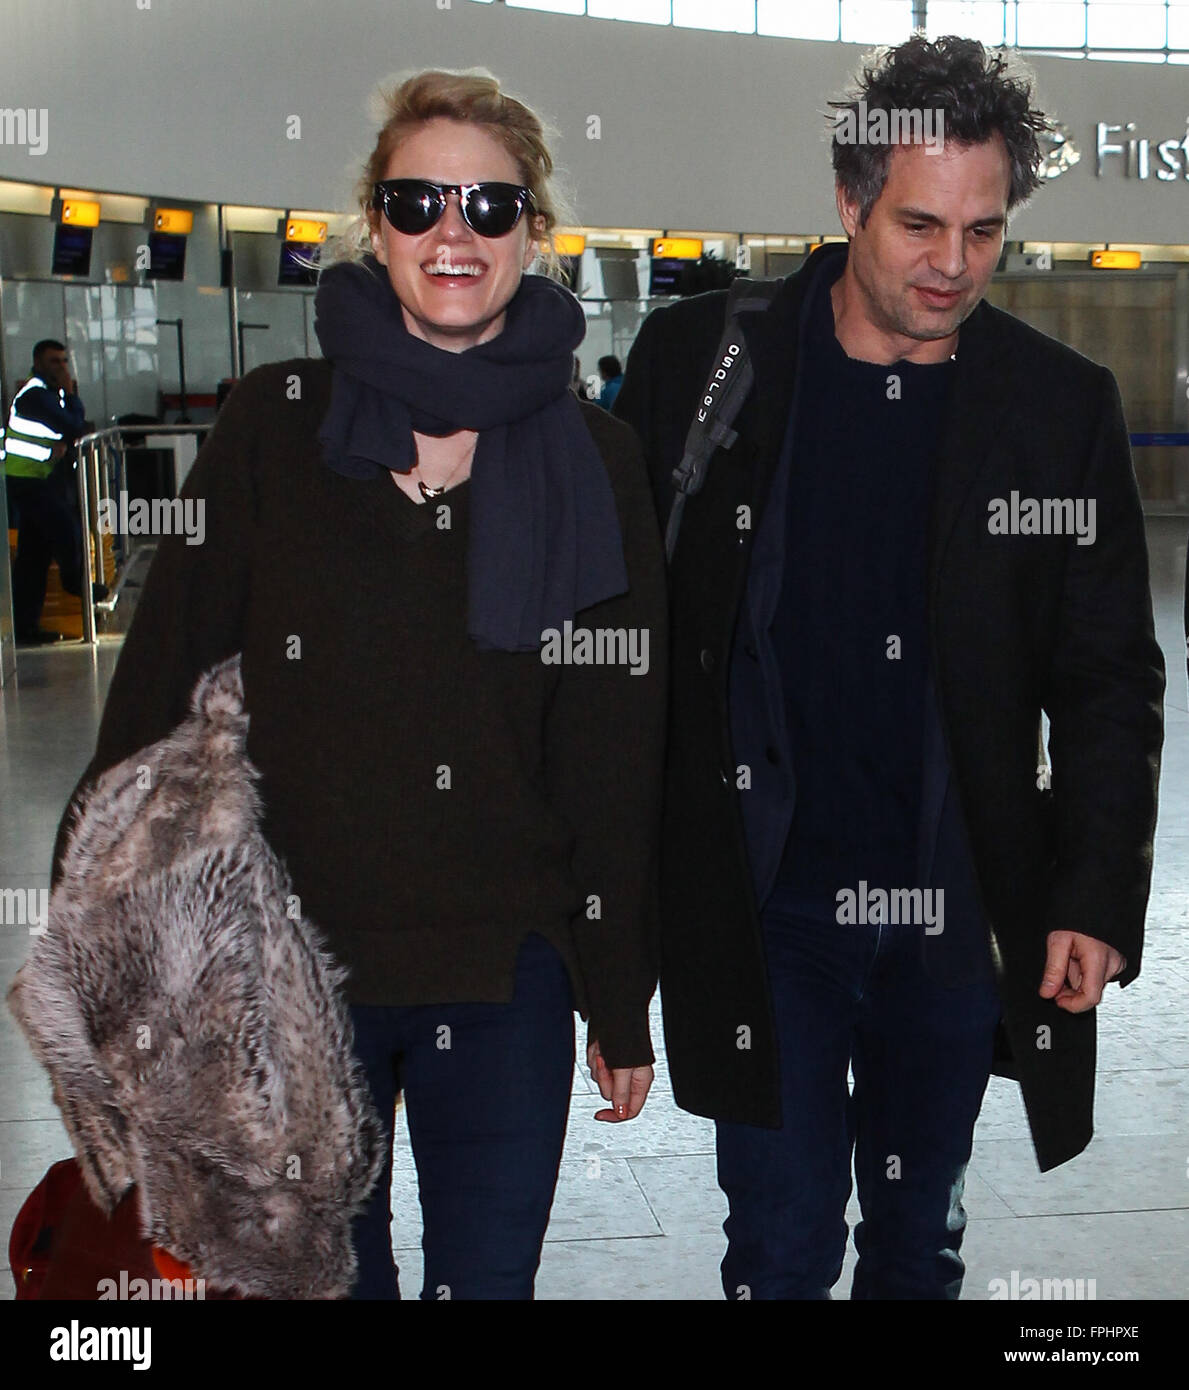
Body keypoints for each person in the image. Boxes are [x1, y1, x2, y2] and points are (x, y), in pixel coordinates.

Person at [51, 68, 666, 1300]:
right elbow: (158, 690)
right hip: (288, 975)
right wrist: (102, 948)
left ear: (535, 233)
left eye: (491, 207)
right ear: (373, 224)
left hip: (507, 968)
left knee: (485, 1284)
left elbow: (616, 744)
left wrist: (618, 995)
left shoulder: (593, 454)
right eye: (418, 200)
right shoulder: (277, 425)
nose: (454, 231)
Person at [614, 34, 1163, 1300]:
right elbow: (624, 650)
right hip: (769, 909)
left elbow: (1104, 678)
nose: (953, 264)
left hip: (951, 915)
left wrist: (1091, 888)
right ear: (849, 200)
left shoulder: (1054, 406)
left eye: (985, 231)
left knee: (919, 1248)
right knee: (782, 1243)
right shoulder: (706, 364)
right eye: (920, 224)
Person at [2, 339, 92, 644]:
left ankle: (26, 628)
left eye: (65, 361)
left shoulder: (51, 395)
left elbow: (68, 428)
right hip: (28, 481)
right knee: (65, 528)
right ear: (38, 363)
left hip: (39, 478)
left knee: (33, 557)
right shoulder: (36, 396)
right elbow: (74, 427)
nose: (62, 367)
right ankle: (74, 580)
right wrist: (72, 396)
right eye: (55, 361)